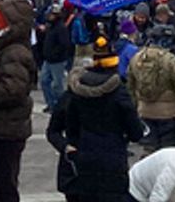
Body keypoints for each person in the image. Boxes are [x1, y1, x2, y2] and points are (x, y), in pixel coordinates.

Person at [46, 36, 145, 202]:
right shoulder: (119, 94)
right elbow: (136, 133)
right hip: (111, 167)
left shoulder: (73, 92)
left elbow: (53, 130)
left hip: (79, 166)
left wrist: (65, 147)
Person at [0, 0, 38, 202]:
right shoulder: (5, 44)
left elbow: (12, 90)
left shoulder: (16, 52)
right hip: (0, 125)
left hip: (8, 127)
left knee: (5, 186)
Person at [132, 29, 175, 151]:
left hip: (144, 110)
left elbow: (130, 85)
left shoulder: (137, 59)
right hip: (168, 113)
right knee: (166, 150)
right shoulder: (171, 61)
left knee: (149, 147)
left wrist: (135, 108)